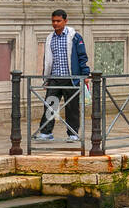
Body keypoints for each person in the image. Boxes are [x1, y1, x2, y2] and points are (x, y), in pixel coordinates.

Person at [37, 9, 91, 142]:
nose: (55, 23)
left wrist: (85, 75)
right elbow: (47, 59)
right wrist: (46, 78)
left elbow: (82, 57)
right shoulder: (50, 38)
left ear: (65, 21)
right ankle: (46, 132)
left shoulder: (75, 37)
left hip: (70, 78)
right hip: (55, 78)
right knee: (50, 104)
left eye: (58, 21)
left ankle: (72, 133)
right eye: (53, 21)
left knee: (72, 107)